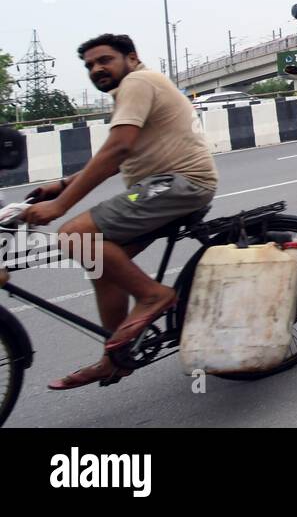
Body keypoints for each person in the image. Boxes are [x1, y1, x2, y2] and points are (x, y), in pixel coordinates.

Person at [24, 34, 218, 389]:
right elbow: (120, 156)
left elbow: (116, 149)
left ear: (131, 57)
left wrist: (59, 206)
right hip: (160, 188)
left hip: (180, 184)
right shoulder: (131, 90)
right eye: (89, 66)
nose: (96, 69)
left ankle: (154, 295)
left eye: (104, 60)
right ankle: (115, 358)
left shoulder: (138, 82)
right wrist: (64, 184)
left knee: (74, 234)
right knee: (100, 264)